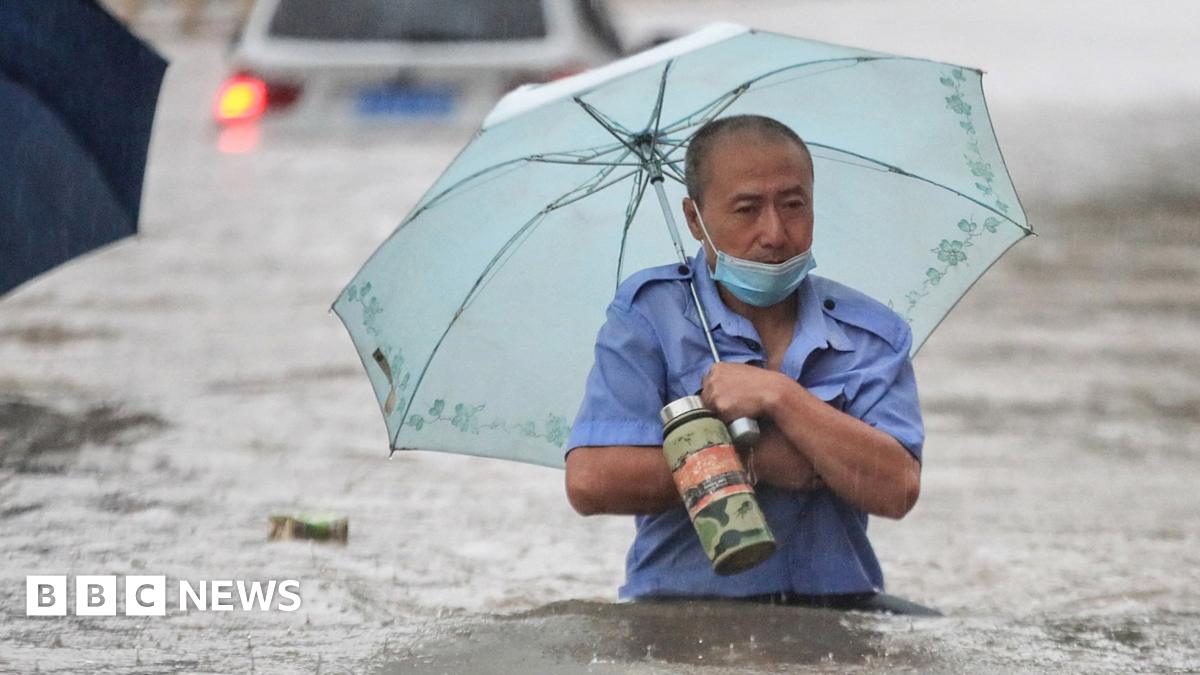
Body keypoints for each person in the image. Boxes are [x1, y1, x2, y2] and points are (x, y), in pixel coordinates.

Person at [564, 115, 933, 614]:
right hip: (682, 608)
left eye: (793, 205)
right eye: (747, 209)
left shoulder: (872, 333)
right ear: (695, 219)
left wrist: (782, 398)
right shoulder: (649, 317)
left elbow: (897, 490)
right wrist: (760, 460)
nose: (775, 233)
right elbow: (591, 481)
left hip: (840, 609)